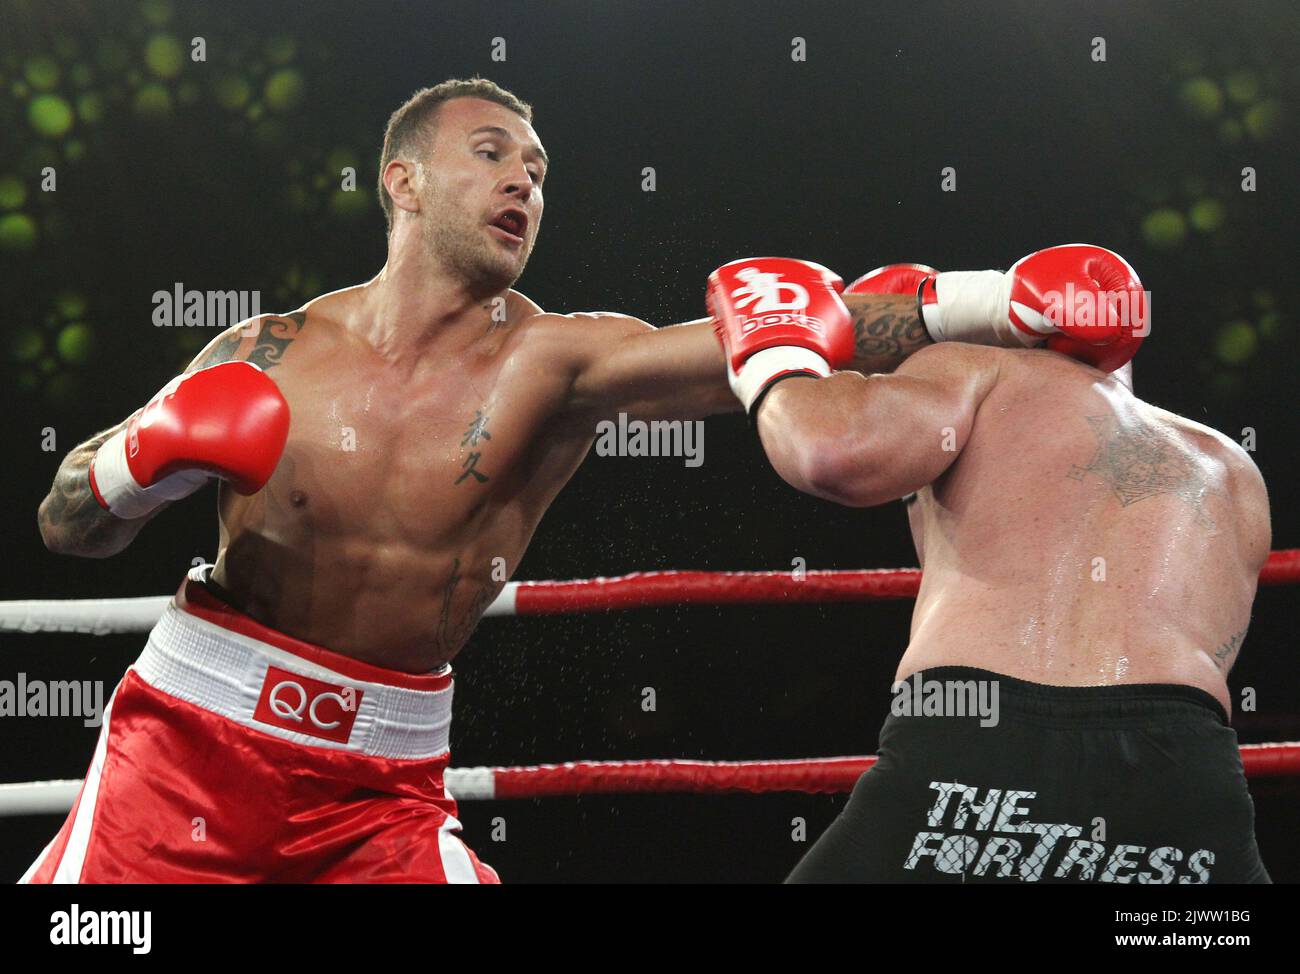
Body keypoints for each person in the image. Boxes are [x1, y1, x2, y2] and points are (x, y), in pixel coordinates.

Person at [27, 76, 1101, 883]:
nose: (523, 184)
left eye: (537, 172)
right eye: (492, 155)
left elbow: (763, 334)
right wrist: (136, 460)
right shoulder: (266, 349)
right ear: (400, 181)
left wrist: (994, 304)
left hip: (378, 797)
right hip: (179, 757)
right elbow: (67, 523)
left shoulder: (555, 363)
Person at [710, 255, 1271, 883]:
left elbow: (827, 452)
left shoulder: (977, 366)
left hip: (979, 746)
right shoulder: (1226, 463)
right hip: (1181, 776)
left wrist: (773, 346)